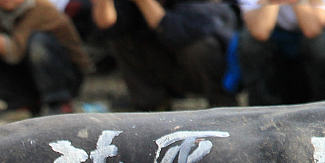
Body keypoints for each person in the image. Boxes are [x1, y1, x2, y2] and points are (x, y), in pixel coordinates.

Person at [0, 0, 90, 114]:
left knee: (38, 43)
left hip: (67, 74)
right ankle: (23, 103)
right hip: (30, 74)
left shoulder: (41, 8)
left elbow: (14, 52)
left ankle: (59, 103)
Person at [91, 0, 237, 110]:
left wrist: (144, 2)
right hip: (165, 67)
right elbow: (107, 27)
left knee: (199, 46)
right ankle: (151, 104)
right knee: (122, 37)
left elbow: (177, 32)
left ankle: (222, 102)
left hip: (213, 72)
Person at [236, 0, 325, 105]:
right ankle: (262, 105)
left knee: (319, 44)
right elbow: (260, 32)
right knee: (249, 42)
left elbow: (312, 30)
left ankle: (324, 102)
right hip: (273, 41)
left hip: (305, 41)